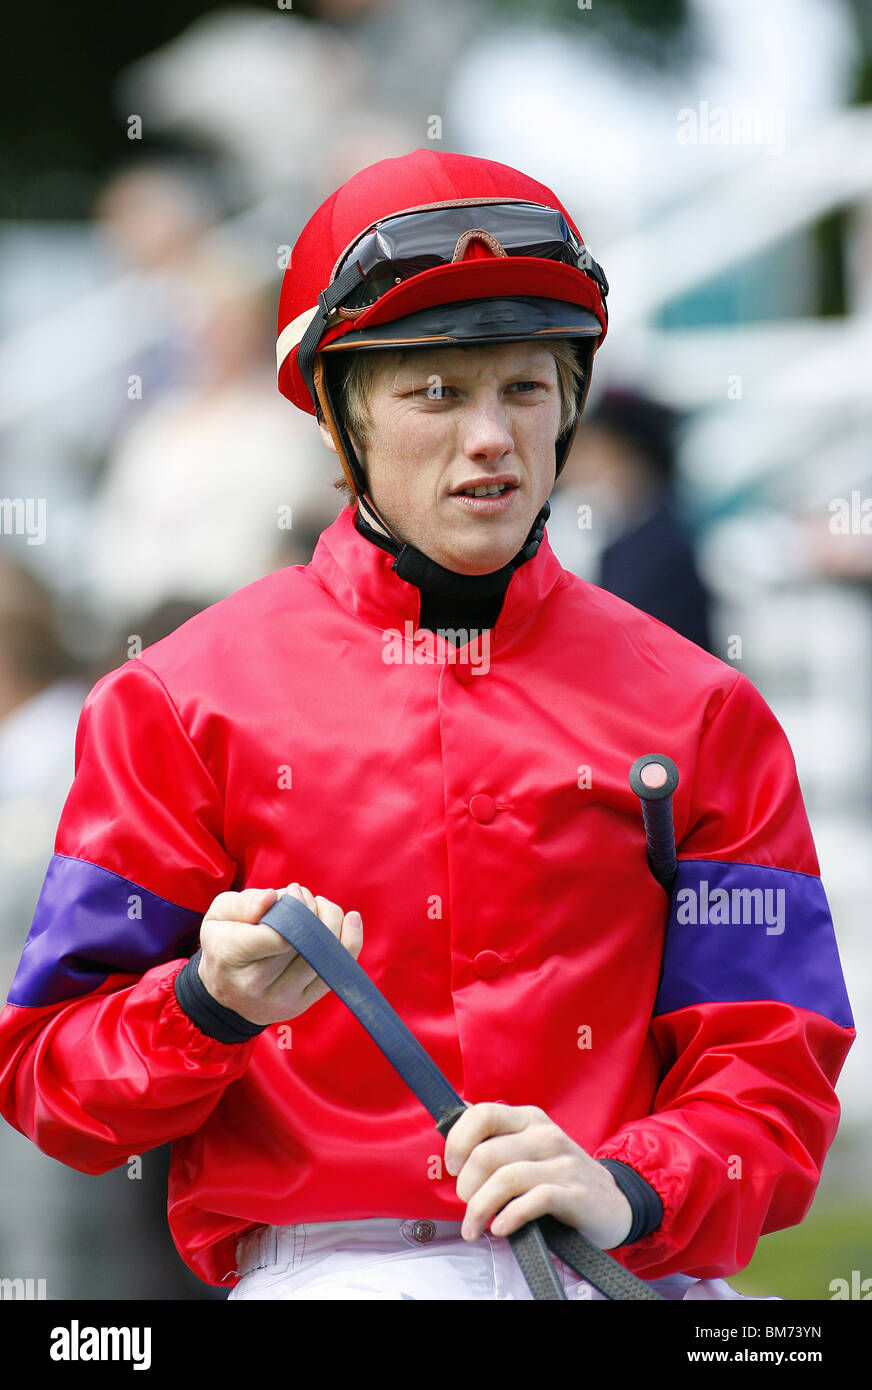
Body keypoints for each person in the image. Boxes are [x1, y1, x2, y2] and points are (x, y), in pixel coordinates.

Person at [0, 149, 854, 1302]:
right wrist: (203, 1005)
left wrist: (632, 1183)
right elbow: (54, 1083)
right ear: (335, 419)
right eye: (435, 393)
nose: (491, 436)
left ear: (570, 405)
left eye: (523, 388)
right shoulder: (177, 699)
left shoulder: (701, 707)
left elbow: (774, 1072)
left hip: (625, 1267)